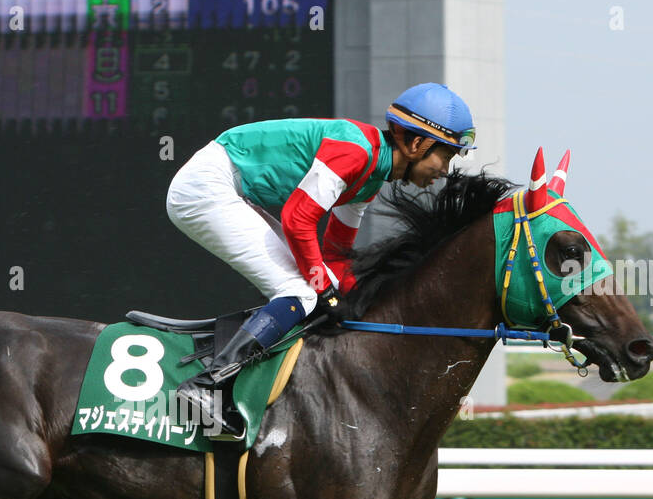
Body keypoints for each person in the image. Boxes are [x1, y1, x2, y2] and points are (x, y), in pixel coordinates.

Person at [167, 83, 477, 437]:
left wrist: (355, 302)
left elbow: (334, 254)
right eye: (447, 155)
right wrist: (327, 291)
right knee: (301, 292)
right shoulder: (355, 153)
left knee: (314, 287)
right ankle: (206, 387)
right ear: (417, 143)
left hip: (229, 187)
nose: (445, 170)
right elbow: (298, 220)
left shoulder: (370, 177)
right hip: (206, 187)